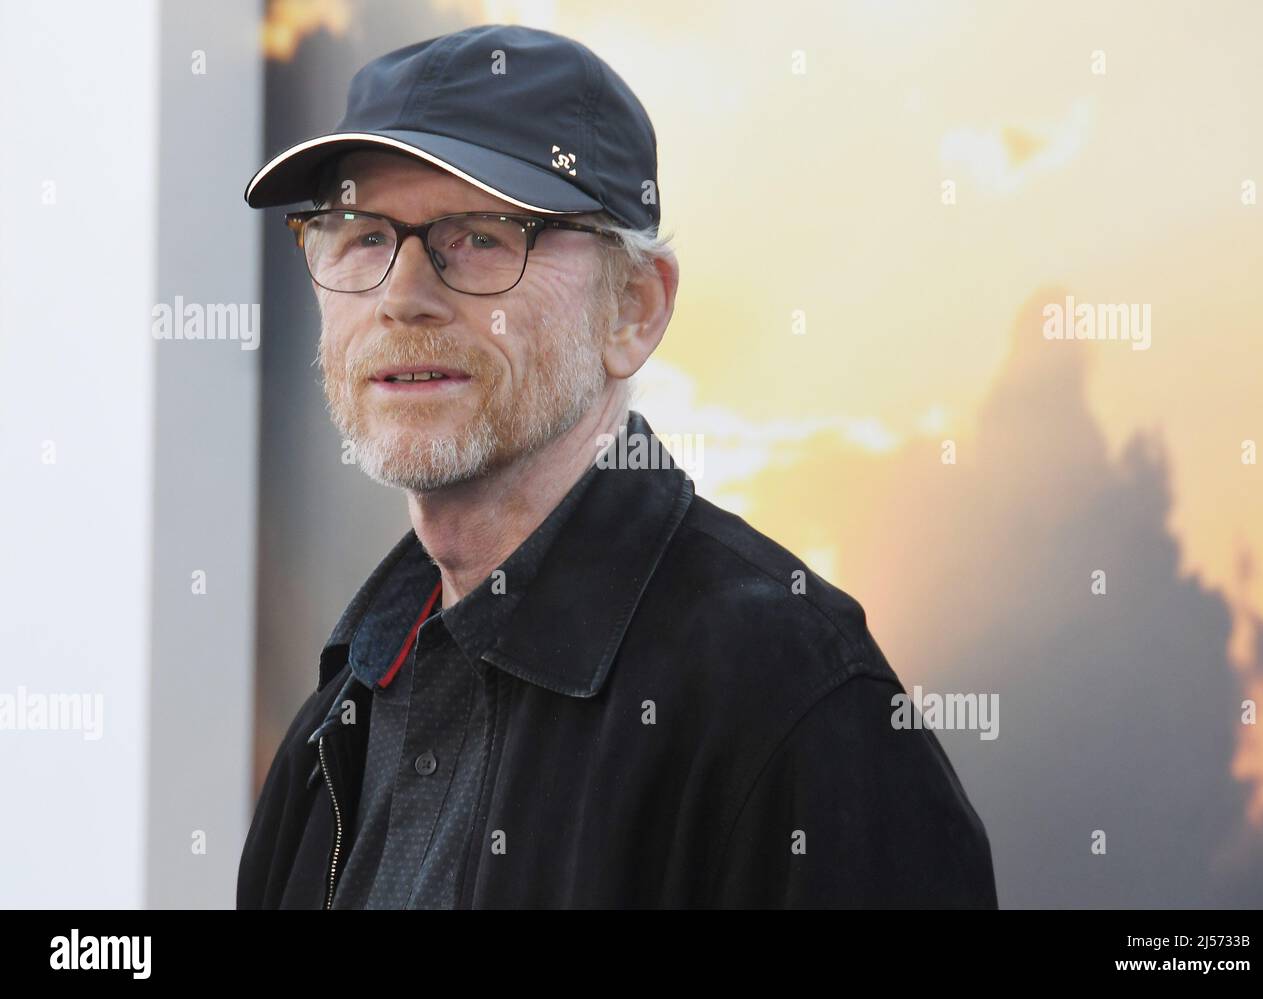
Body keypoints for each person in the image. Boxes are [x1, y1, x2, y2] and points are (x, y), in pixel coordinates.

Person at [236, 23, 997, 909]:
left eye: (481, 236)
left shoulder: (795, 704)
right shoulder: (336, 723)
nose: (403, 296)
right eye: (364, 236)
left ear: (633, 308)